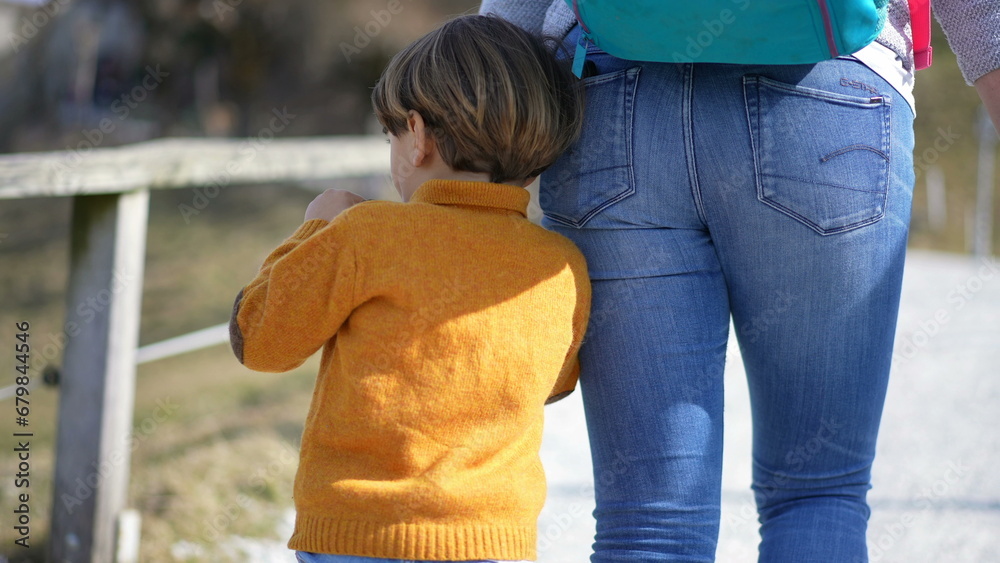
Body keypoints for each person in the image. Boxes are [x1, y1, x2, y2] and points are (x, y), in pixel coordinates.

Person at [480, 0, 1000, 561]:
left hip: (612, 108)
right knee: (818, 494)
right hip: (827, 101)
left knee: (649, 521)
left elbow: (510, 19)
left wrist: (460, 162)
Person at [227, 15, 590, 563]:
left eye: (391, 133)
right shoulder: (561, 265)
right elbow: (554, 384)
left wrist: (315, 228)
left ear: (417, 137)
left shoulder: (367, 233)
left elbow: (259, 339)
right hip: (493, 542)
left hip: (361, 536)